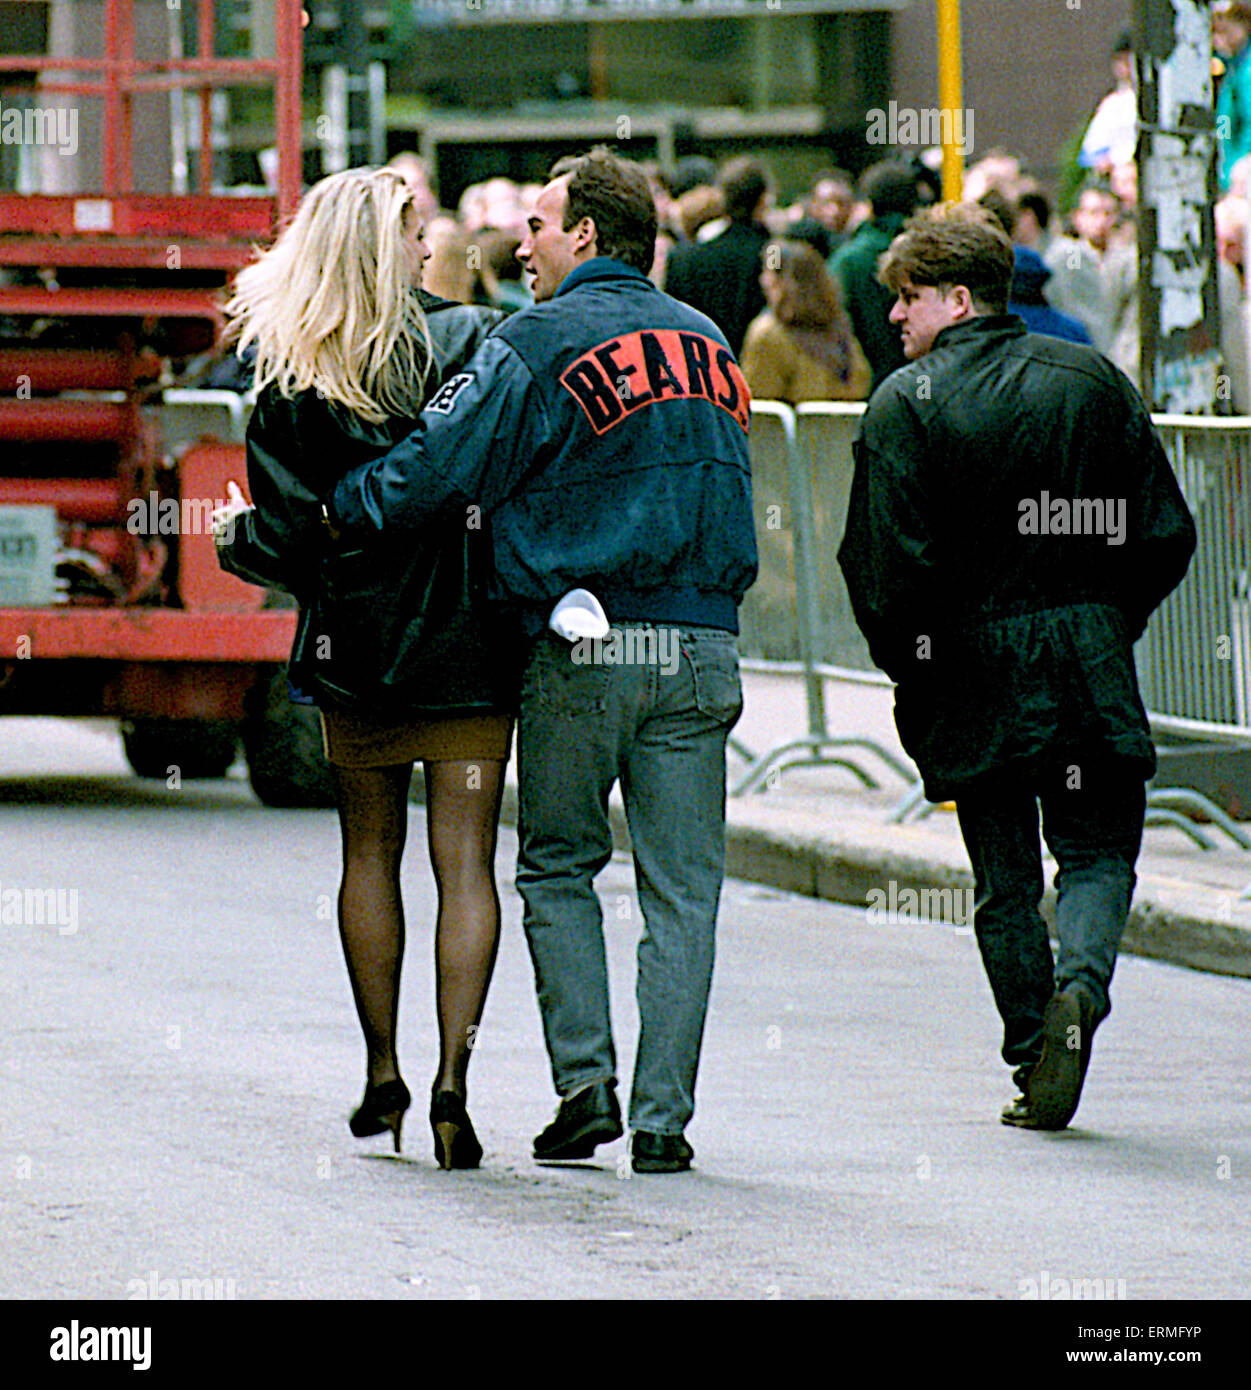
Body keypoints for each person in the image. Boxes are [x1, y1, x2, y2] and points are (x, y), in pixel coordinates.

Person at [327, 146, 758, 1174]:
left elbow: (436, 462)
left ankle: (585, 1088)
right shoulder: (710, 344)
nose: (518, 241)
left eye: (538, 222)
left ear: (587, 236)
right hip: (702, 644)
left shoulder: (533, 339)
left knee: (560, 864)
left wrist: (340, 509)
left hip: (583, 641)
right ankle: (664, 1118)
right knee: (683, 891)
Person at [837, 204, 1196, 1131]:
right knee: (1095, 850)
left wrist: (915, 664)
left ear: (957, 299)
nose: (894, 319)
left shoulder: (903, 406)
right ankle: (1079, 986)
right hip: (1084, 654)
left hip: (968, 665)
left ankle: (1033, 1044)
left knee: (1002, 876)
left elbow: (884, 568)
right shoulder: (1087, 379)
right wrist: (1108, 622)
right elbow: (1161, 529)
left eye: (908, 299)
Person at [212, 167, 515, 1169]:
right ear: (389, 248)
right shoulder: (471, 344)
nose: (430, 245)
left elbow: (296, 537)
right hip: (469, 646)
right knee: (466, 863)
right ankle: (454, 1084)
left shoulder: (292, 377)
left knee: (367, 857)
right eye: (416, 230)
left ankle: (382, 1068)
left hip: (355, 652)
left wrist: (240, 539)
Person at [827, 161, 923, 391]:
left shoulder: (847, 261)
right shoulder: (931, 253)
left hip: (864, 389)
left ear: (868, 205)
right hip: (923, 388)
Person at [663, 154, 773, 355]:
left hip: (701, 371)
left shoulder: (683, 258)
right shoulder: (772, 253)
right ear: (763, 200)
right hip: (756, 369)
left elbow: (671, 326)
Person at [740, 239, 871, 403]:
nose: (764, 281)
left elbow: (762, 409)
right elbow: (861, 384)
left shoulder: (766, 334)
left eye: (770, 273)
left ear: (784, 283)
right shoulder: (841, 330)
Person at [1215, 2, 1251, 191]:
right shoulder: (1232, 69)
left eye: (1225, 31)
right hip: (1228, 166)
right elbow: (1224, 125)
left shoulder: (1247, 71)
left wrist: (1238, 164)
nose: (1219, 40)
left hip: (1242, 171)